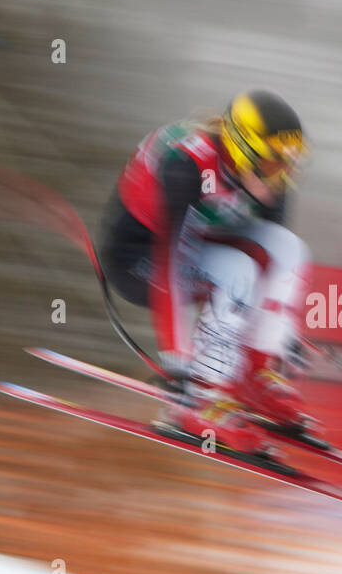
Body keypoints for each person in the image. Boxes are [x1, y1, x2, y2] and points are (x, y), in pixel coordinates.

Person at [98, 90, 314, 453]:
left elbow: (273, 268)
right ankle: (200, 394)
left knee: (289, 248)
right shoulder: (187, 166)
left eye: (289, 167)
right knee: (237, 270)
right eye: (274, 164)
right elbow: (170, 264)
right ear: (244, 150)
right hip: (139, 262)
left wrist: (282, 334)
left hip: (200, 247)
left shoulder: (270, 182)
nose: (282, 179)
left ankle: (252, 378)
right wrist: (177, 365)